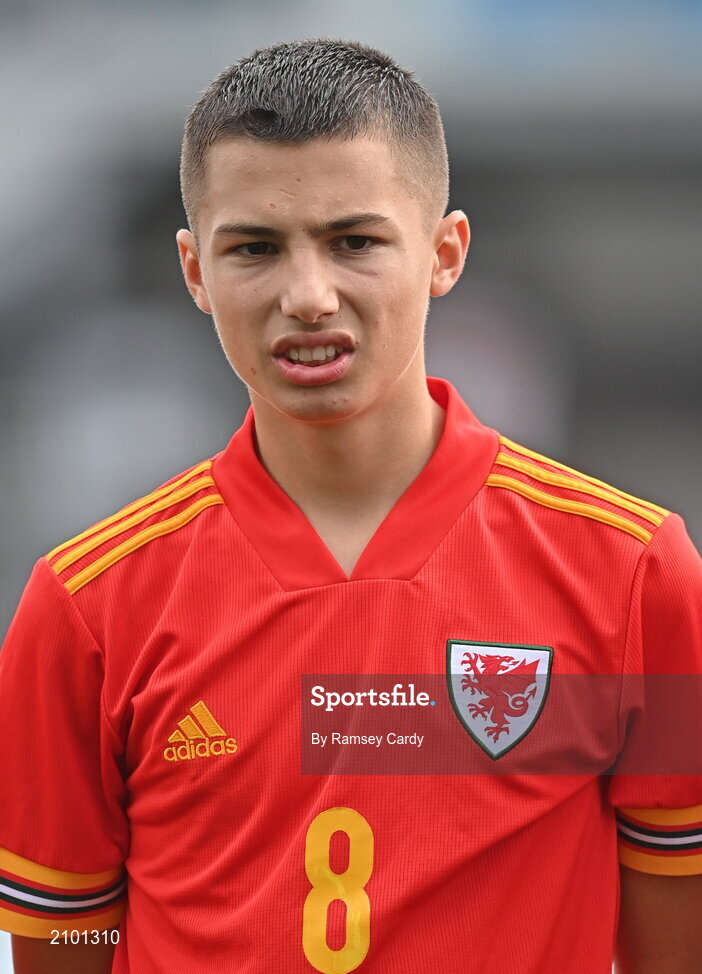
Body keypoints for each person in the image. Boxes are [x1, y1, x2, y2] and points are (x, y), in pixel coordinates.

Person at [1, 38, 700, 974]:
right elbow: (67, 935)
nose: (309, 295)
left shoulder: (634, 577)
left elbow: (674, 945)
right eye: (255, 247)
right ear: (194, 272)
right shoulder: (86, 609)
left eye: (355, 241)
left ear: (445, 252)